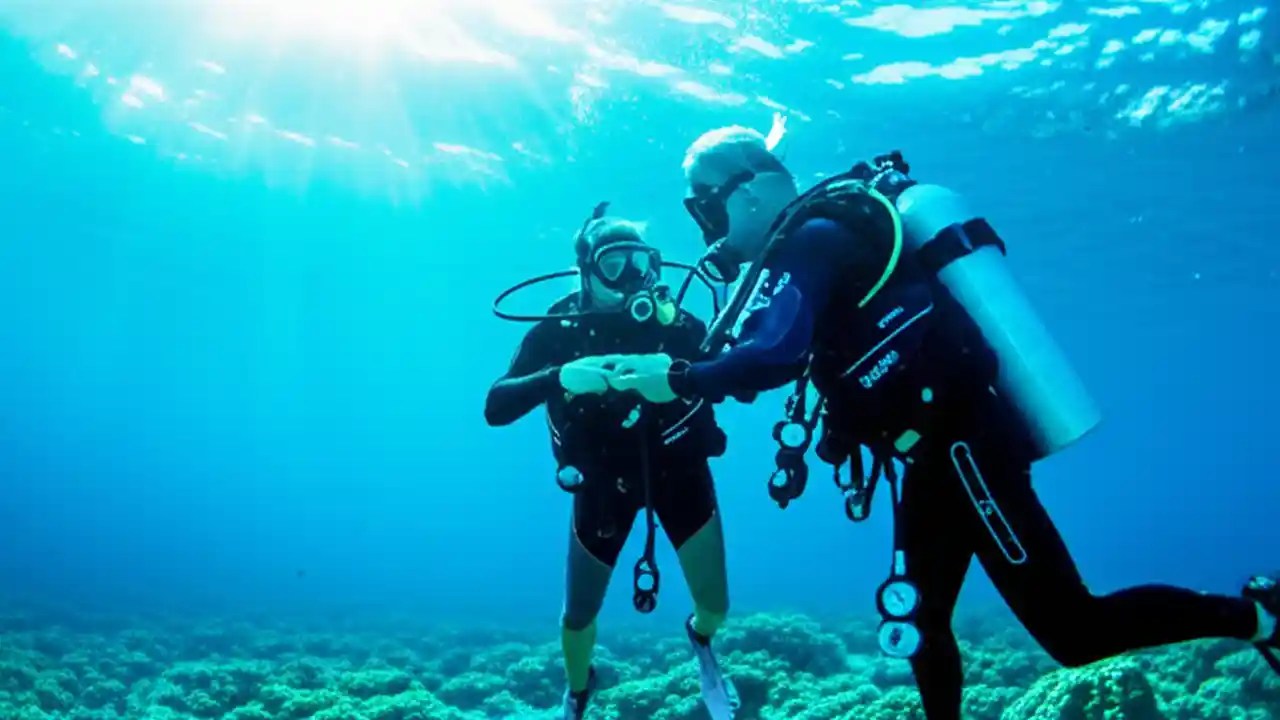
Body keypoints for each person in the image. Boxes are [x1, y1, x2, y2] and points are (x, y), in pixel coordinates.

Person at [579, 122, 1280, 719]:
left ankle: (1261, 618)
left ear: (753, 189)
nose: (704, 226)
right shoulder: (811, 246)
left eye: (705, 206)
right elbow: (771, 351)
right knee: (916, 622)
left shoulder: (813, 239)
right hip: (931, 457)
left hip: (961, 449)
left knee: (1073, 631)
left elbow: (773, 356)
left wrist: (676, 378)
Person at [483, 206, 740, 720]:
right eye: (613, 264)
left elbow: (743, 382)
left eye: (639, 262)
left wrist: (677, 371)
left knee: (716, 606)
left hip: (681, 470)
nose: (631, 278)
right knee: (578, 617)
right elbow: (496, 406)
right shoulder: (559, 328)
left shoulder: (677, 324)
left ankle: (700, 638)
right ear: (585, 269)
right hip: (601, 483)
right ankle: (579, 690)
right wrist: (559, 376)